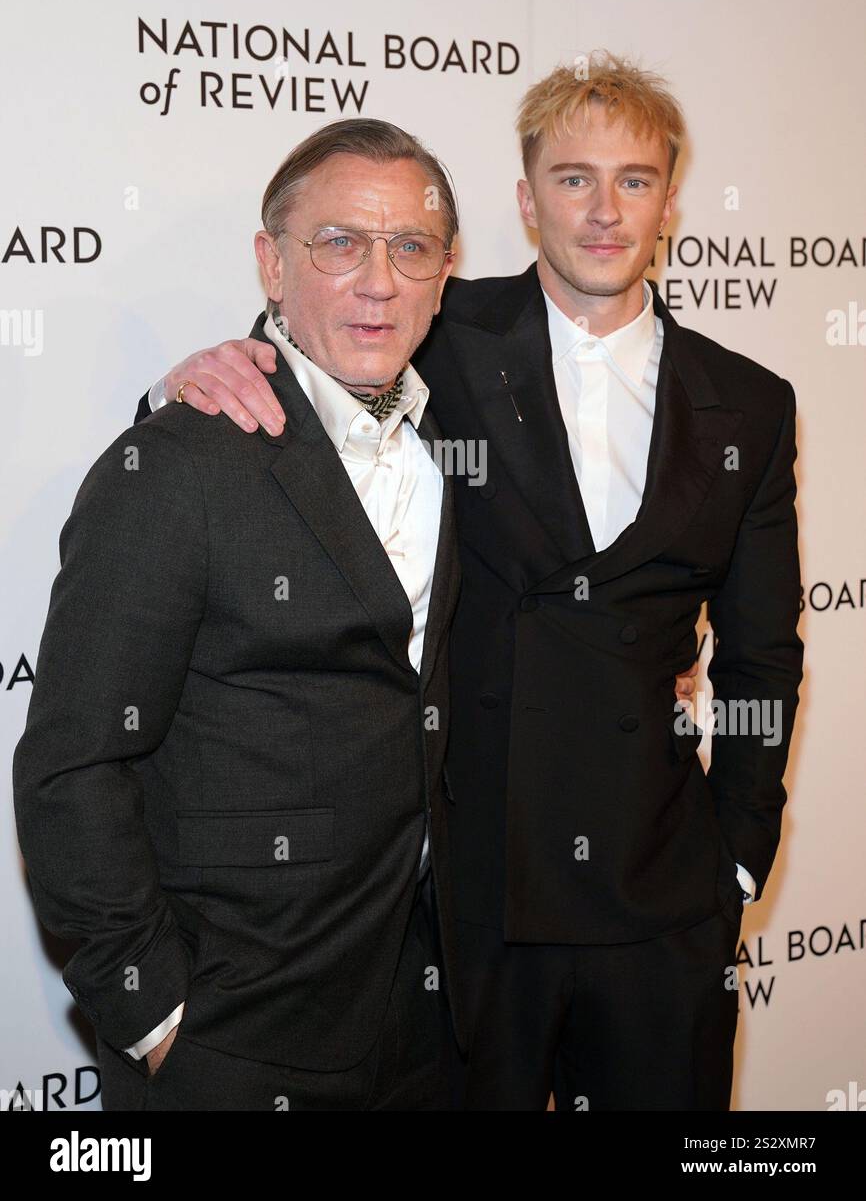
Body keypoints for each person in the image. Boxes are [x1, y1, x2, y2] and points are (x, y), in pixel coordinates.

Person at [155, 55, 804, 1111]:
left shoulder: (748, 402)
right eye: (571, 178)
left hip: (660, 901)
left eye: (632, 180)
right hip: (470, 900)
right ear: (523, 200)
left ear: (668, 203)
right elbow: (295, 363)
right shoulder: (435, 335)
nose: (602, 211)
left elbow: (763, 654)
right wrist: (188, 377)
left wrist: (735, 859)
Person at [13, 119, 468, 1111]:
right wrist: (156, 1019)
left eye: (410, 247)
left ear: (446, 271)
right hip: (232, 1039)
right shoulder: (180, 465)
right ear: (271, 263)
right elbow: (72, 765)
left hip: (429, 1028)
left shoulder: (465, 441)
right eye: (339, 242)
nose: (377, 280)